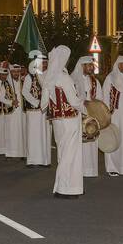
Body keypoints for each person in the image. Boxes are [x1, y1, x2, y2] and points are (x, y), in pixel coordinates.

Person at [38, 46, 84, 196]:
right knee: (70, 154)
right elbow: (74, 102)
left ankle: (66, 186)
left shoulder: (49, 76)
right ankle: (65, 188)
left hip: (57, 121)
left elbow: (43, 104)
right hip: (70, 121)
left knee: (63, 153)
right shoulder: (64, 77)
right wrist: (88, 110)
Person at [71, 56, 105, 178]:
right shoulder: (72, 79)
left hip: (92, 115)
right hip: (78, 114)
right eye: (89, 65)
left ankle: (90, 170)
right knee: (80, 143)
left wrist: (96, 109)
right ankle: (79, 170)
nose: (92, 67)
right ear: (82, 66)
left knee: (91, 141)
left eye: (92, 65)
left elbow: (100, 98)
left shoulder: (95, 81)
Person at [21, 52, 52, 167]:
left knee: (45, 135)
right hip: (33, 112)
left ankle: (45, 160)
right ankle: (33, 160)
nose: (44, 65)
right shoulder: (30, 76)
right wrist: (37, 102)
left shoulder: (47, 77)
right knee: (34, 136)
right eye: (43, 63)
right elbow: (24, 92)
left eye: (46, 63)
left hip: (45, 111)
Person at [4, 65, 27, 158]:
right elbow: (1, 98)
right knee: (12, 132)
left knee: (22, 132)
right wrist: (11, 102)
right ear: (11, 72)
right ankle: (11, 153)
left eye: (18, 71)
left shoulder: (24, 82)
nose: (16, 73)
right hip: (12, 112)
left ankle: (22, 153)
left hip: (22, 113)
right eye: (14, 72)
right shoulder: (6, 84)